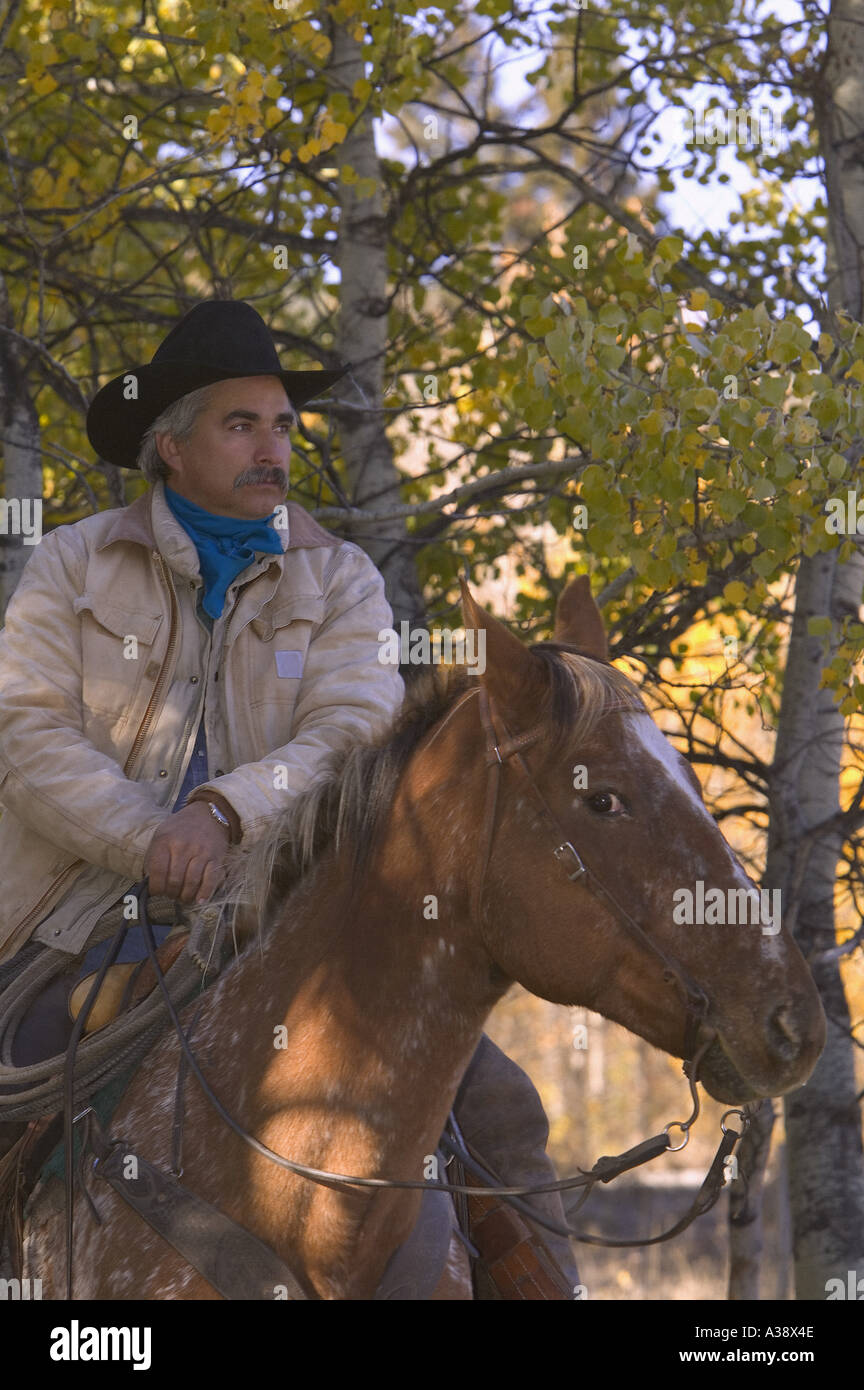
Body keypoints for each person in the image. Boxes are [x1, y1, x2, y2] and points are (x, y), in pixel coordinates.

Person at [0, 299, 578, 1298]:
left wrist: (223, 812)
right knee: (20, 1089)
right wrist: (150, 837)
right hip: (83, 916)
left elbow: (354, 732)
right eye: (241, 424)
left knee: (495, 1102)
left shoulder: (340, 577)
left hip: (294, 919)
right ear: (169, 447)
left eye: (281, 424)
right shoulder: (72, 564)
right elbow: (26, 732)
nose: (273, 447)